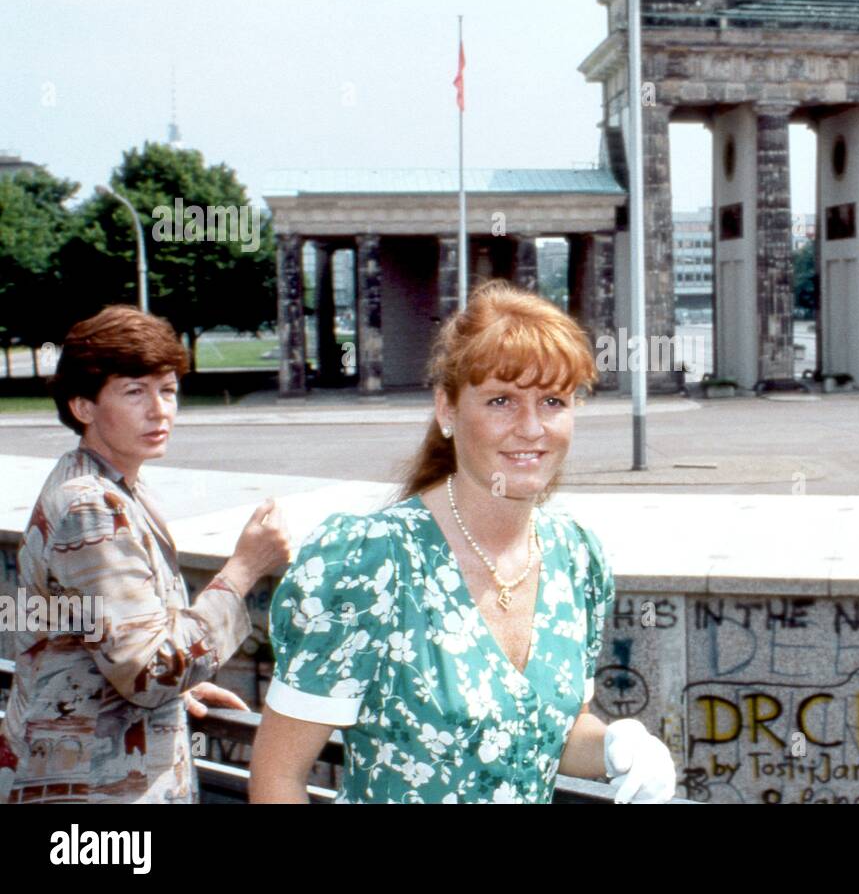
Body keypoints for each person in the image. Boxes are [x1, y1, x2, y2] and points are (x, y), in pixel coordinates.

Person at [249, 280, 677, 803]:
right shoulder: (371, 563)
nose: (532, 428)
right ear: (447, 410)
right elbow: (278, 777)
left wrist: (615, 745)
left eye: (553, 400)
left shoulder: (576, 558)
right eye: (501, 400)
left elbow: (550, 733)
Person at [0, 306, 292, 803]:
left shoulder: (104, 486)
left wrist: (181, 690)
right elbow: (148, 673)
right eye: (135, 391)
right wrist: (243, 570)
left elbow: (112, 642)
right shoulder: (92, 506)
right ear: (83, 407)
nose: (159, 410)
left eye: (168, 389)